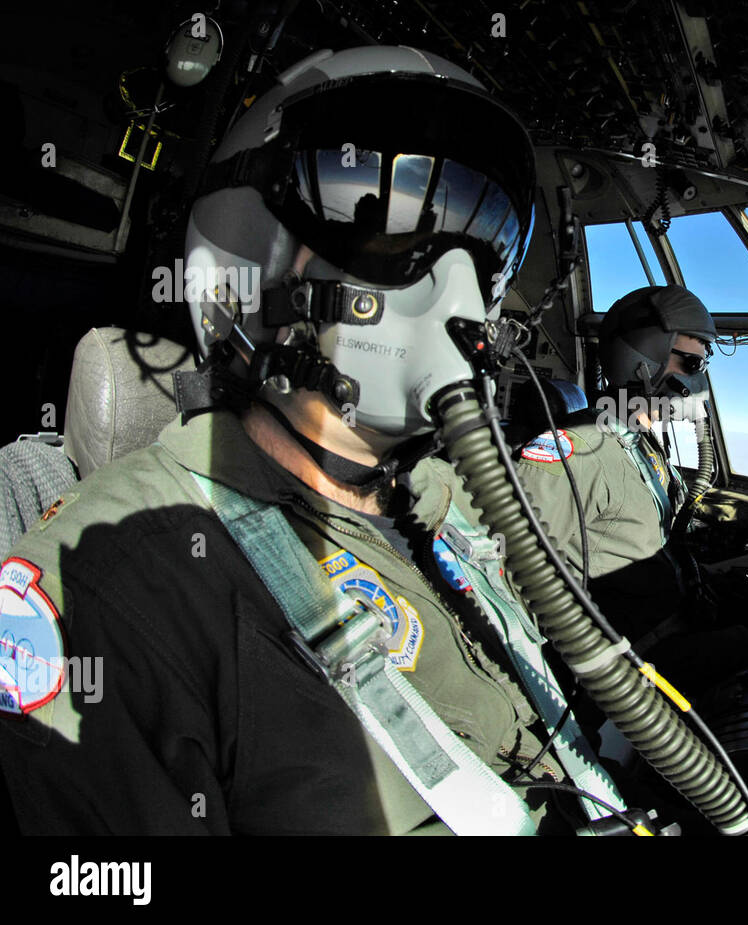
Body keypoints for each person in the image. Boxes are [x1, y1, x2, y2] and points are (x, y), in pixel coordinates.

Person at [0, 46, 621, 835]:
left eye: (482, 245)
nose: (458, 295)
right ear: (248, 261)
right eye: (397, 232)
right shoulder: (112, 585)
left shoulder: (450, 501)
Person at [516, 285, 748, 693]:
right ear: (641, 357)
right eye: (691, 363)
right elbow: (514, 576)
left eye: (704, 363)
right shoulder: (576, 452)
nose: (699, 380)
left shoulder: (641, 442)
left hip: (688, 606)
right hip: (648, 652)